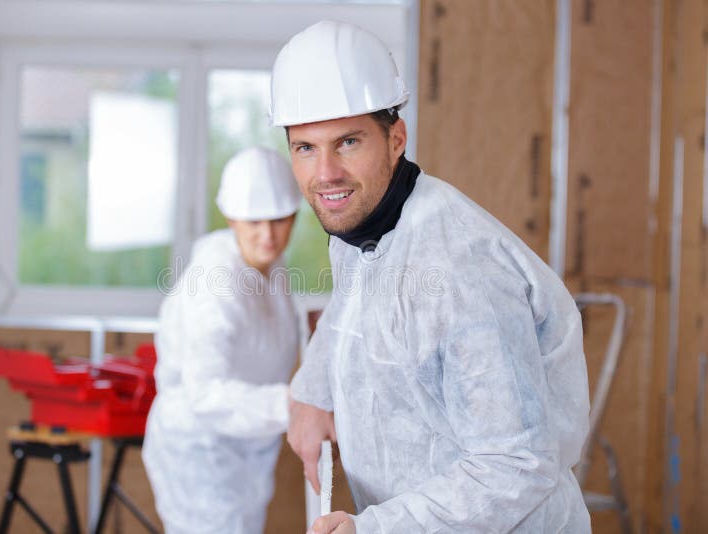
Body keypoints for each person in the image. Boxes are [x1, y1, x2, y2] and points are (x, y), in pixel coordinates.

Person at [273, 21, 591, 533]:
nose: (325, 173)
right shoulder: (365, 228)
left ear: (396, 138)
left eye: (348, 142)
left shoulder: (460, 272)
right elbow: (351, 310)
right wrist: (312, 392)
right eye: (305, 148)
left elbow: (515, 466)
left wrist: (371, 528)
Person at [142, 146, 302, 534]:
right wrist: (299, 405)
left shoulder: (268, 265)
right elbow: (207, 395)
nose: (268, 235)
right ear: (231, 218)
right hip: (201, 450)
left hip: (247, 448)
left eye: (280, 220)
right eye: (255, 222)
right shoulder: (213, 286)